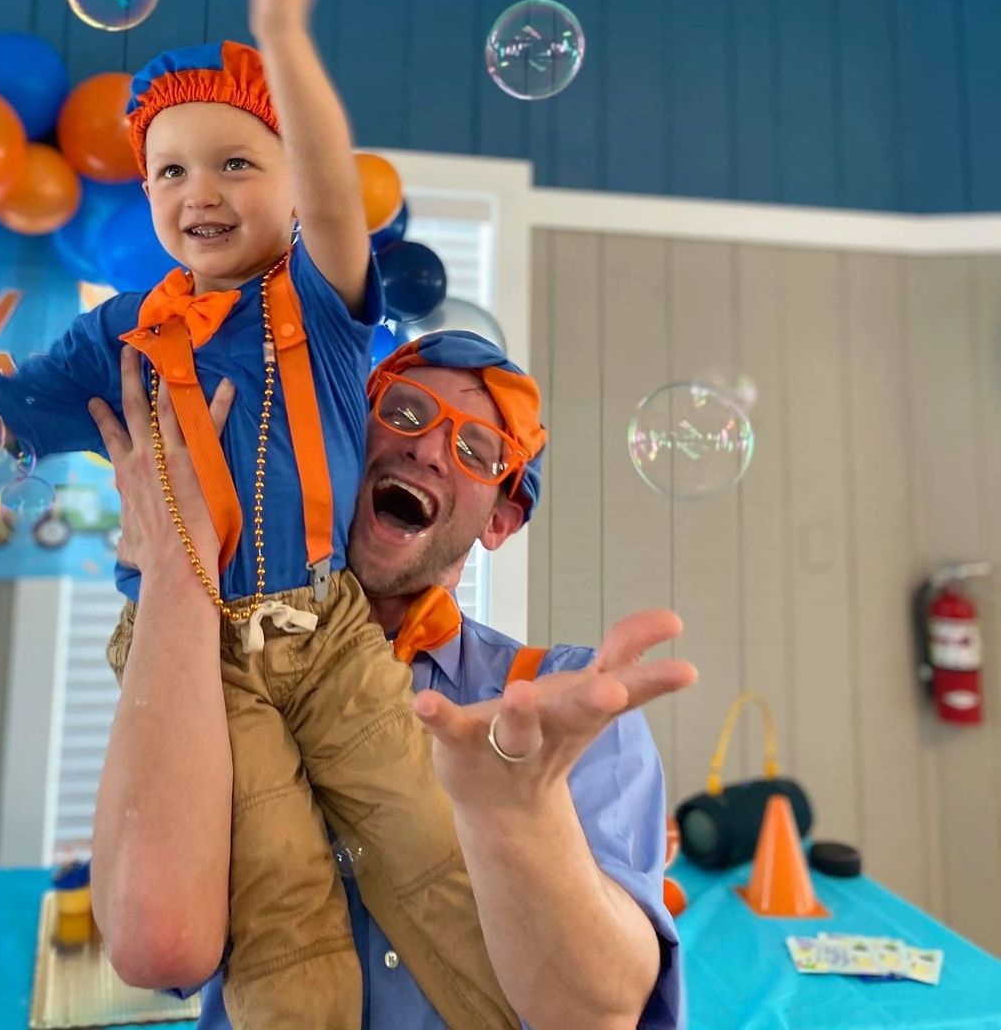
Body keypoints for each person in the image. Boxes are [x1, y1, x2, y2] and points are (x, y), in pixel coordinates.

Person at [0, 0, 519, 1030]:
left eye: (235, 163)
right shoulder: (119, 334)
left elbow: (334, 189)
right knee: (280, 908)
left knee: (434, 859)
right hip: (192, 663)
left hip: (325, 632)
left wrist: (282, 35)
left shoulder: (321, 303)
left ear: (291, 186)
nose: (197, 191)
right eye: (169, 170)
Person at [92, 329, 696, 1029]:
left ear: (500, 520)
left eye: (476, 451)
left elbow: (603, 1011)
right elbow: (158, 948)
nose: (428, 449)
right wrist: (175, 567)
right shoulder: (212, 659)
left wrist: (520, 814)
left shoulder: (563, 705)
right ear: (345, 439)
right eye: (405, 412)